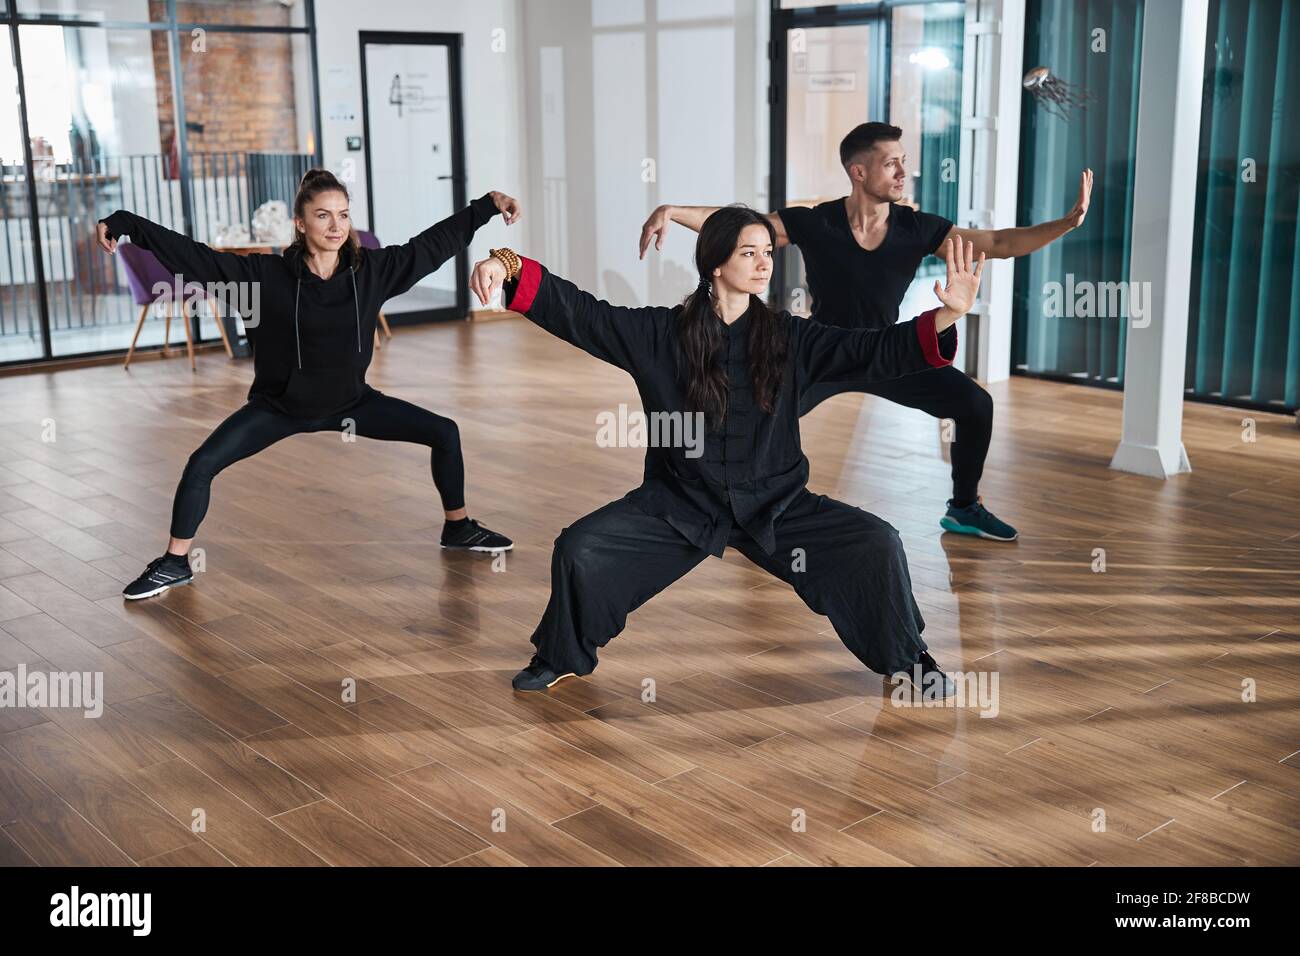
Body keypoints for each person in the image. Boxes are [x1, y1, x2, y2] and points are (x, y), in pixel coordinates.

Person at [471, 206, 984, 696]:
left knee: (877, 543)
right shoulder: (660, 334)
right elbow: (582, 313)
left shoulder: (792, 338)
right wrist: (507, 264)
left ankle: (910, 661)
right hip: (680, 505)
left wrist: (946, 314)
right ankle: (560, 656)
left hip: (777, 506)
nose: (765, 263)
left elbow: (871, 351)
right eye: (749, 253)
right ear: (715, 263)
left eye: (768, 252)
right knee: (581, 547)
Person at [639, 121, 1094, 542]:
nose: (903, 172)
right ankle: (727, 504)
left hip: (884, 351)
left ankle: (964, 508)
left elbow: (996, 244)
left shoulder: (916, 228)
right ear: (859, 171)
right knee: (757, 413)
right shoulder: (817, 221)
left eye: (903, 162)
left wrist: (1065, 223)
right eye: (891, 163)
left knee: (975, 404)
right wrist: (673, 210)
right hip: (819, 354)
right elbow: (740, 229)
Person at [100, 168, 517, 601]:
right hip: (278, 409)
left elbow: (431, 246)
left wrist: (486, 206)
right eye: (323, 216)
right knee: (202, 463)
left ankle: (458, 527)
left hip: (352, 404)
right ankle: (174, 562)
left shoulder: (372, 271)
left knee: (444, 432)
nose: (336, 226)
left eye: (343, 215)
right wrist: (128, 224)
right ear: (301, 223)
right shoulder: (263, 277)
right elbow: (196, 258)